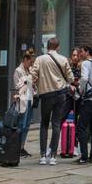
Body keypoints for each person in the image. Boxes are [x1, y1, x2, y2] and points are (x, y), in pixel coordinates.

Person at [32, 37, 74, 165]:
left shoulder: (40, 59)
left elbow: (33, 75)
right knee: (56, 124)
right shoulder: (63, 59)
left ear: (47, 46)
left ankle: (43, 155)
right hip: (61, 95)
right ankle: (54, 156)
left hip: (46, 95)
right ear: (58, 47)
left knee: (44, 124)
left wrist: (36, 85)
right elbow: (71, 78)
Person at [12, 48, 37, 157]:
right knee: (21, 124)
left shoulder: (29, 70)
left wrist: (34, 82)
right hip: (22, 101)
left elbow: (33, 86)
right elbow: (17, 86)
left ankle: (22, 146)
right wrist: (28, 80)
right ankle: (17, 147)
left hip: (30, 99)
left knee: (26, 125)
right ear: (25, 60)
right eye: (30, 62)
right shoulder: (18, 71)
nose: (31, 64)